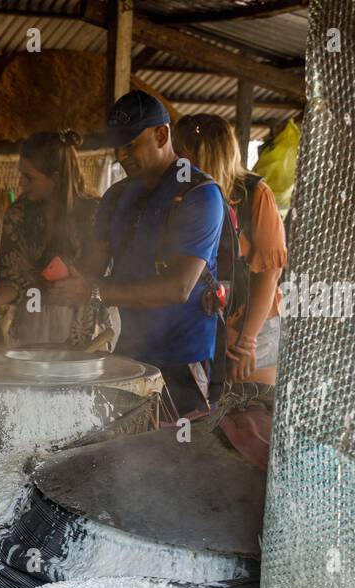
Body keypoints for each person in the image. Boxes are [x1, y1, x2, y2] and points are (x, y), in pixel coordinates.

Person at [87, 91, 226, 419]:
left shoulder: (199, 194)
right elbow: (91, 262)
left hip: (184, 361)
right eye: (117, 147)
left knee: (180, 459)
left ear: (162, 134)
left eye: (131, 145)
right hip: (130, 357)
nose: (121, 155)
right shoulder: (116, 195)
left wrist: (96, 292)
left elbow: (178, 288)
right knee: (123, 457)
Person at [173, 113, 287, 386]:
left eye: (182, 156)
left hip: (251, 328)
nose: (176, 165)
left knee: (250, 409)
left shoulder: (253, 195)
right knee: (206, 415)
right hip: (205, 325)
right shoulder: (185, 198)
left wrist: (245, 341)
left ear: (205, 154)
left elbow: (270, 273)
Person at [0, 130, 101, 346]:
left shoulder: (93, 213)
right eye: (21, 174)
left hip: (84, 327)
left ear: (55, 178)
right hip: (32, 322)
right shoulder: (19, 214)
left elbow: (101, 280)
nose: (21, 183)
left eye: (29, 177)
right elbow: (13, 278)